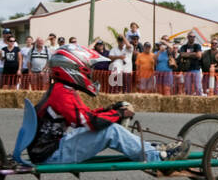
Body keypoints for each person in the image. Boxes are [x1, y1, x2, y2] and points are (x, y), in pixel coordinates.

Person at [26, 45, 189, 166]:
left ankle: (156, 150)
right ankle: (157, 158)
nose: (89, 72)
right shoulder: (61, 93)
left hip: (50, 148)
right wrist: (118, 114)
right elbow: (90, 122)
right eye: (86, 68)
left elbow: (85, 114)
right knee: (111, 131)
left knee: (109, 127)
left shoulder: (61, 90)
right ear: (72, 68)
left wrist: (110, 109)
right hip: (51, 154)